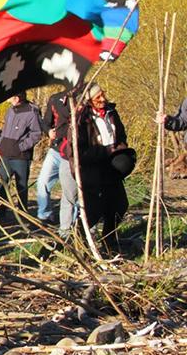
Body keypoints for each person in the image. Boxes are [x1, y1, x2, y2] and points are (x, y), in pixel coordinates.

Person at [70, 83, 131, 252]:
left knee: (119, 205)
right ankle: (78, 242)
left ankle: (108, 241)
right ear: (89, 99)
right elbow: (78, 151)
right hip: (92, 169)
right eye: (98, 97)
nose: (102, 99)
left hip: (112, 167)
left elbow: (121, 135)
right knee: (93, 210)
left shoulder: (111, 113)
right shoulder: (82, 118)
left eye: (103, 95)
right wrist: (105, 151)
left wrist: (120, 151)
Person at [35, 89, 77, 224]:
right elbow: (45, 122)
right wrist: (48, 131)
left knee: (70, 192)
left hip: (72, 153)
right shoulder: (55, 99)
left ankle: (73, 222)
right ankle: (45, 215)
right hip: (56, 150)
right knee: (42, 182)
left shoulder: (82, 100)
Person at [0, 92, 44, 211]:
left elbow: (36, 134)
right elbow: (5, 129)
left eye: (10, 96)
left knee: (21, 186)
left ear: (17, 98)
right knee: (3, 183)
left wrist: (21, 147)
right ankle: (0, 210)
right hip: (5, 154)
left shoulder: (32, 112)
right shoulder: (10, 110)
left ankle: (23, 212)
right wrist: (1, 142)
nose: (7, 99)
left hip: (21, 156)